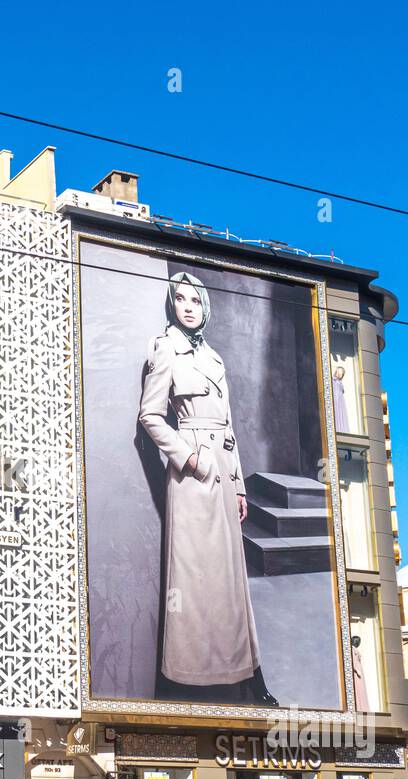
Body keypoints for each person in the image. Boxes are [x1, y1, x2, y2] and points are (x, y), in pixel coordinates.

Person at [138, 272, 262, 693]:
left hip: (224, 473)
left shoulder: (214, 356)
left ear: (204, 305)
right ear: (171, 305)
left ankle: (241, 673)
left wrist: (239, 485)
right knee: (192, 574)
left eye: (194, 299)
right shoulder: (164, 349)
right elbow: (150, 416)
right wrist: (189, 458)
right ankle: (189, 677)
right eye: (180, 299)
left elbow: (230, 428)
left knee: (229, 576)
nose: (188, 306)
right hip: (192, 474)